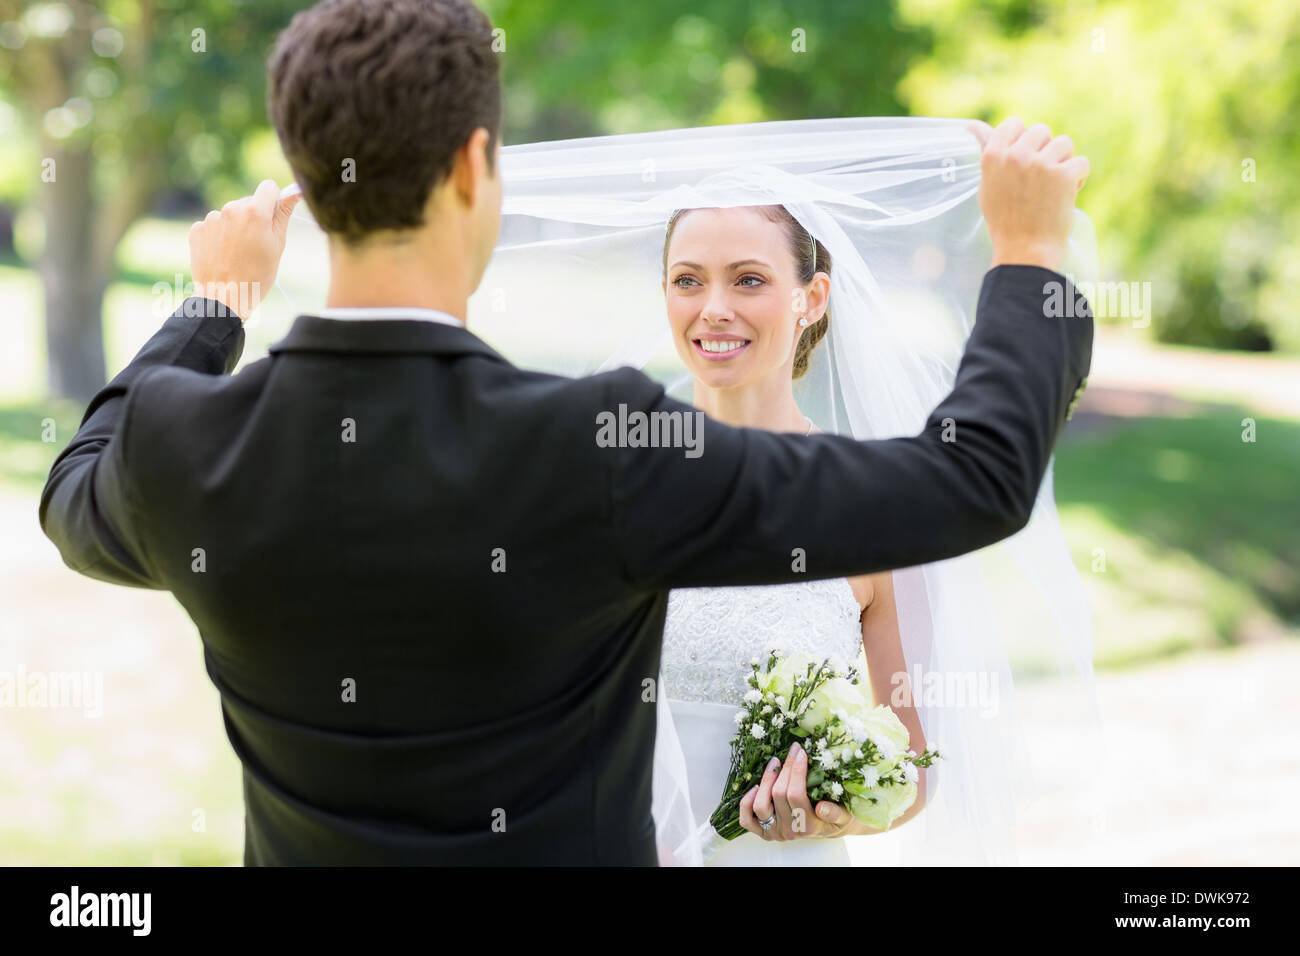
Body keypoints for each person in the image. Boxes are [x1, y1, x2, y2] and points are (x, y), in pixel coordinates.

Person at [38, 0, 1091, 865]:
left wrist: (214, 304)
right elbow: (972, 481)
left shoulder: (181, 440)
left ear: (311, 178)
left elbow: (73, 487)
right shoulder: (596, 444)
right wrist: (1029, 255)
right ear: (472, 169)